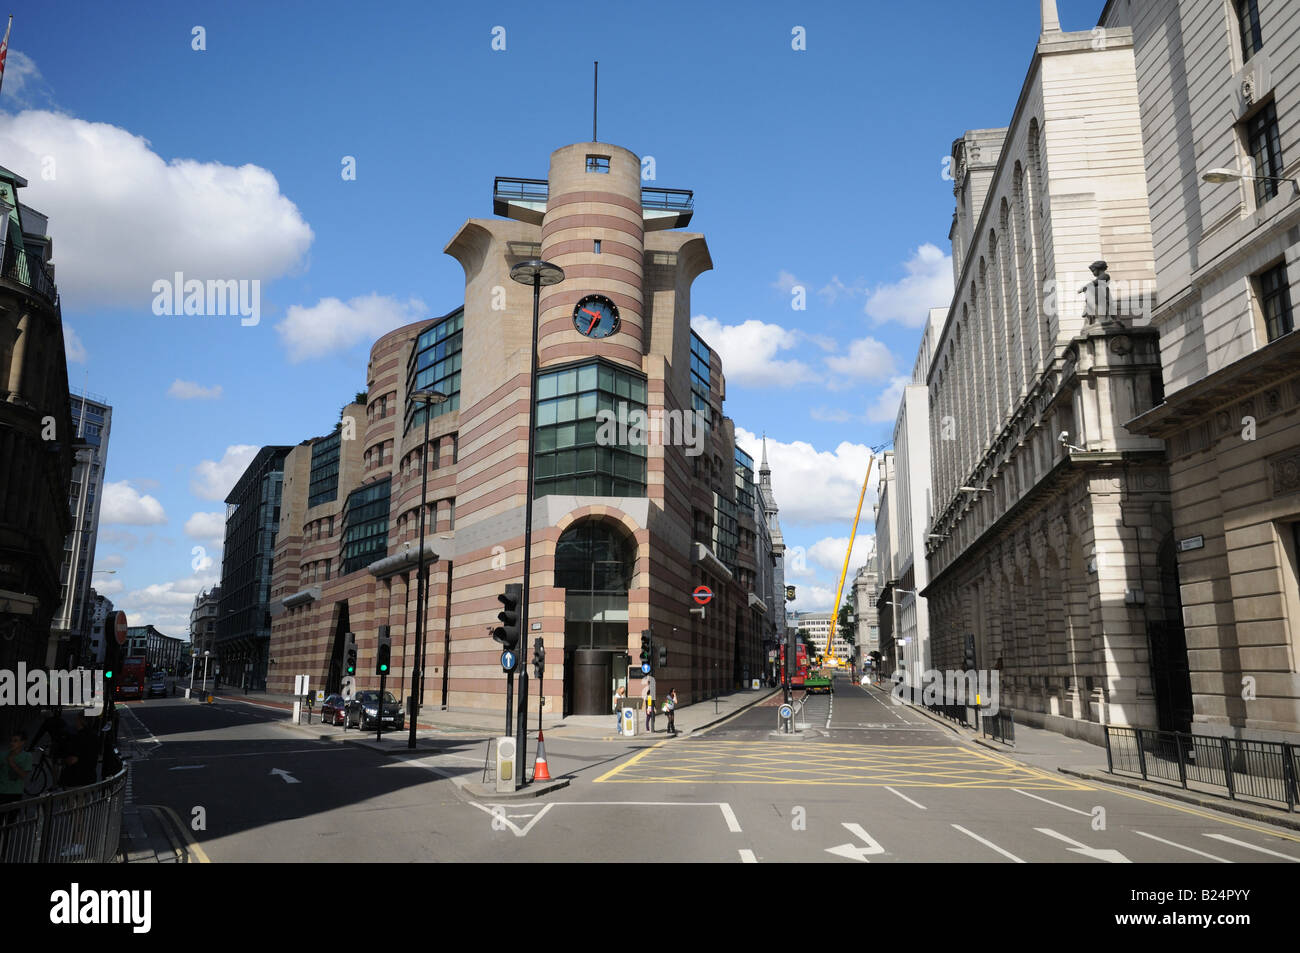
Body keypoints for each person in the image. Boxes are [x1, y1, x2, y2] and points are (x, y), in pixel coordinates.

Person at [2, 731, 31, 805]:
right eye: (11, 741)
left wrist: (12, 763)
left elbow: (24, 775)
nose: (12, 743)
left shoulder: (27, 756)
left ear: (22, 742)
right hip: (2, 791)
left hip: (15, 792)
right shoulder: (3, 755)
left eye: (15, 741)